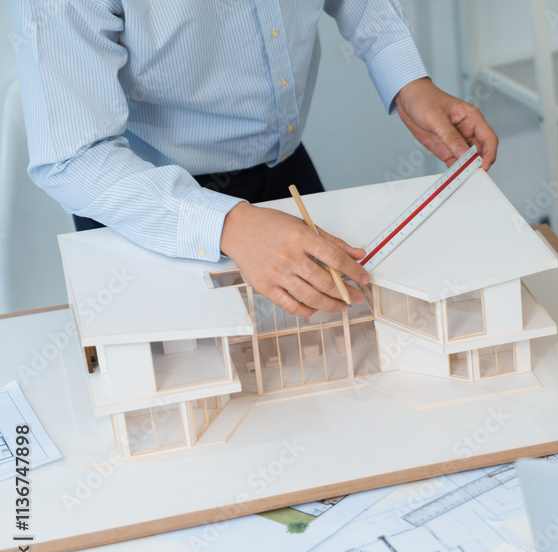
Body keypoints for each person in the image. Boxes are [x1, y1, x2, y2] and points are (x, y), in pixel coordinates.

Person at [11, 0, 498, 319]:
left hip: (283, 174)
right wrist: (230, 226)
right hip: (149, 207)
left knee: (346, 363)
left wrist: (407, 77)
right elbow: (72, 159)